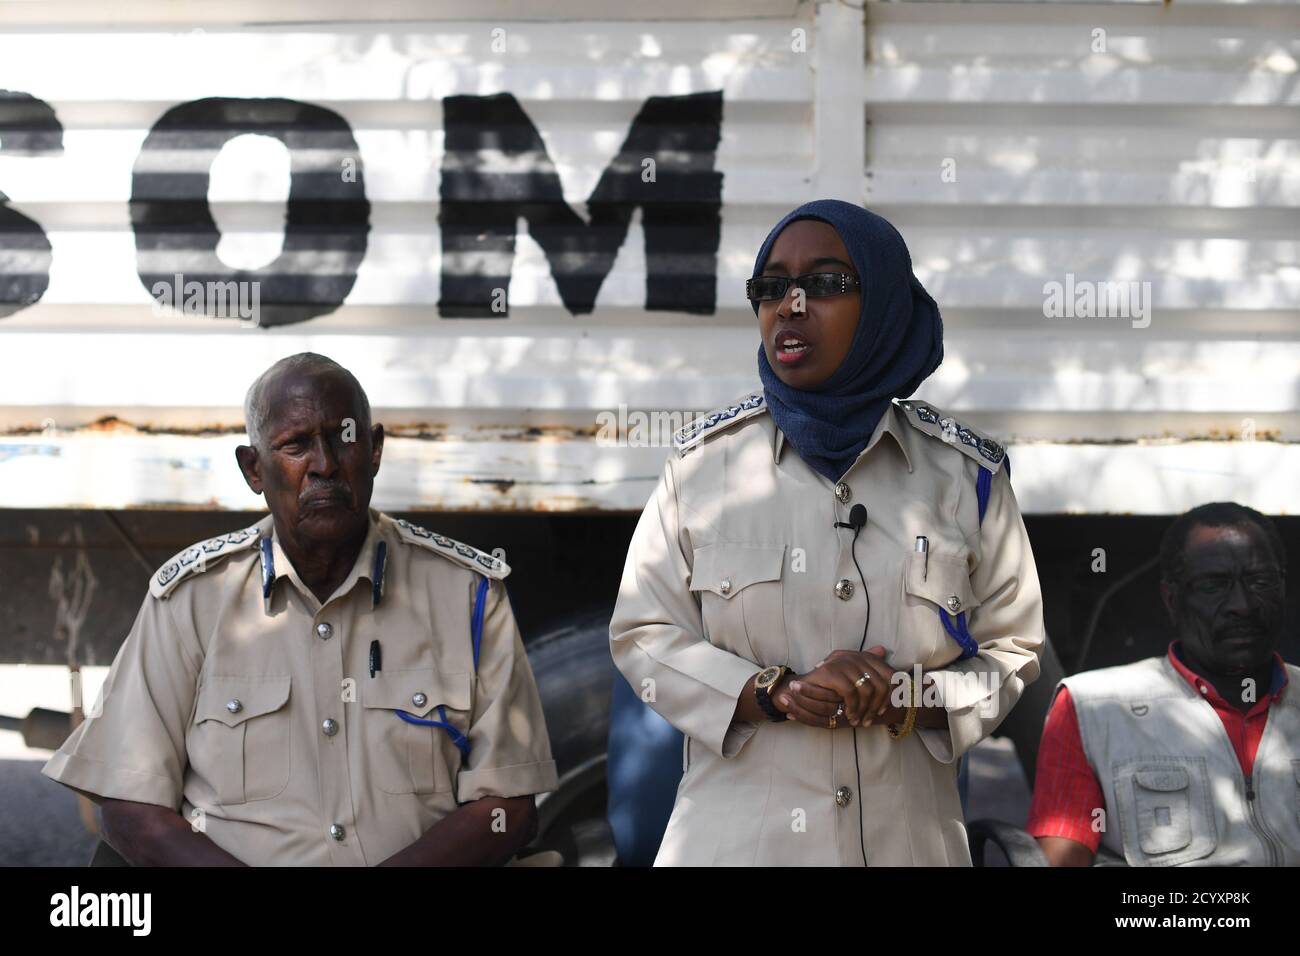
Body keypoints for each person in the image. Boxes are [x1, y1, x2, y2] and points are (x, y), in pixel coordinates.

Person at [609, 199, 1046, 865]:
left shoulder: (967, 479)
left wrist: (903, 699)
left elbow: (1013, 649)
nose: (790, 304)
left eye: (827, 283)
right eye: (771, 287)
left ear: (886, 303)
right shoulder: (701, 471)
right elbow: (643, 637)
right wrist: (774, 694)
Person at [42, 353, 558, 865]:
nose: (325, 465)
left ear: (375, 450)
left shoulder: (466, 592)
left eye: (344, 438)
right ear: (254, 470)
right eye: (295, 446)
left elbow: (508, 804)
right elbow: (128, 804)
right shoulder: (192, 600)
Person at [1028, 502, 1299, 866]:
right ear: (1171, 599)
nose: (1242, 605)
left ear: (1283, 588)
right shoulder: (1093, 708)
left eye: (1260, 581)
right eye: (1214, 585)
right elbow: (1061, 860)